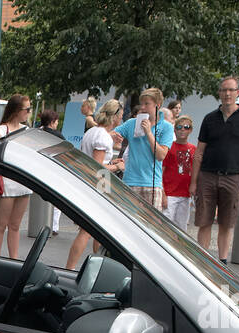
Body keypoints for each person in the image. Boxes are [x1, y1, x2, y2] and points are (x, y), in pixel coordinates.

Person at [191, 76, 239, 264]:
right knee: (204, 220)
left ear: (237, 92)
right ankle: (202, 260)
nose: (227, 94)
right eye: (223, 90)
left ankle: (222, 261)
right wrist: (194, 181)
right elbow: (199, 151)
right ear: (219, 93)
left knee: (226, 223)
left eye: (231, 90)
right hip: (208, 175)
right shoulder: (209, 118)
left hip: (233, 176)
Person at [67, 99, 125, 269]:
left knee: (96, 231)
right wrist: (117, 166)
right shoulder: (102, 136)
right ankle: (71, 267)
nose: (121, 120)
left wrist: (112, 161)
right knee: (87, 231)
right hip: (98, 184)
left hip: (94, 183)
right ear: (114, 117)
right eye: (120, 116)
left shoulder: (93, 131)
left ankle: (96, 266)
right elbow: (97, 166)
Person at [0, 94, 33, 258]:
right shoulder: (4, 128)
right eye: (26, 109)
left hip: (23, 182)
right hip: (7, 183)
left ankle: (14, 260)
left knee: (15, 225)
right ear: (16, 111)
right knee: (1, 224)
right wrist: (7, 159)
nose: (29, 112)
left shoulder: (26, 130)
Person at [114, 87, 173, 210]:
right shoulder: (132, 123)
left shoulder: (166, 127)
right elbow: (111, 136)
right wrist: (114, 141)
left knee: (151, 226)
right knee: (126, 221)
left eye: (147, 104)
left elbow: (161, 155)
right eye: (142, 104)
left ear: (157, 105)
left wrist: (149, 133)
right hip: (130, 181)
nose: (143, 107)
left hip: (151, 184)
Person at [162, 115, 195, 231]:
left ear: (190, 130)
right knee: (165, 225)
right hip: (170, 193)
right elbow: (162, 170)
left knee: (182, 227)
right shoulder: (169, 147)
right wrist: (163, 194)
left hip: (185, 194)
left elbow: (195, 171)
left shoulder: (193, 149)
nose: (182, 130)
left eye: (186, 127)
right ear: (174, 129)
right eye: (179, 127)